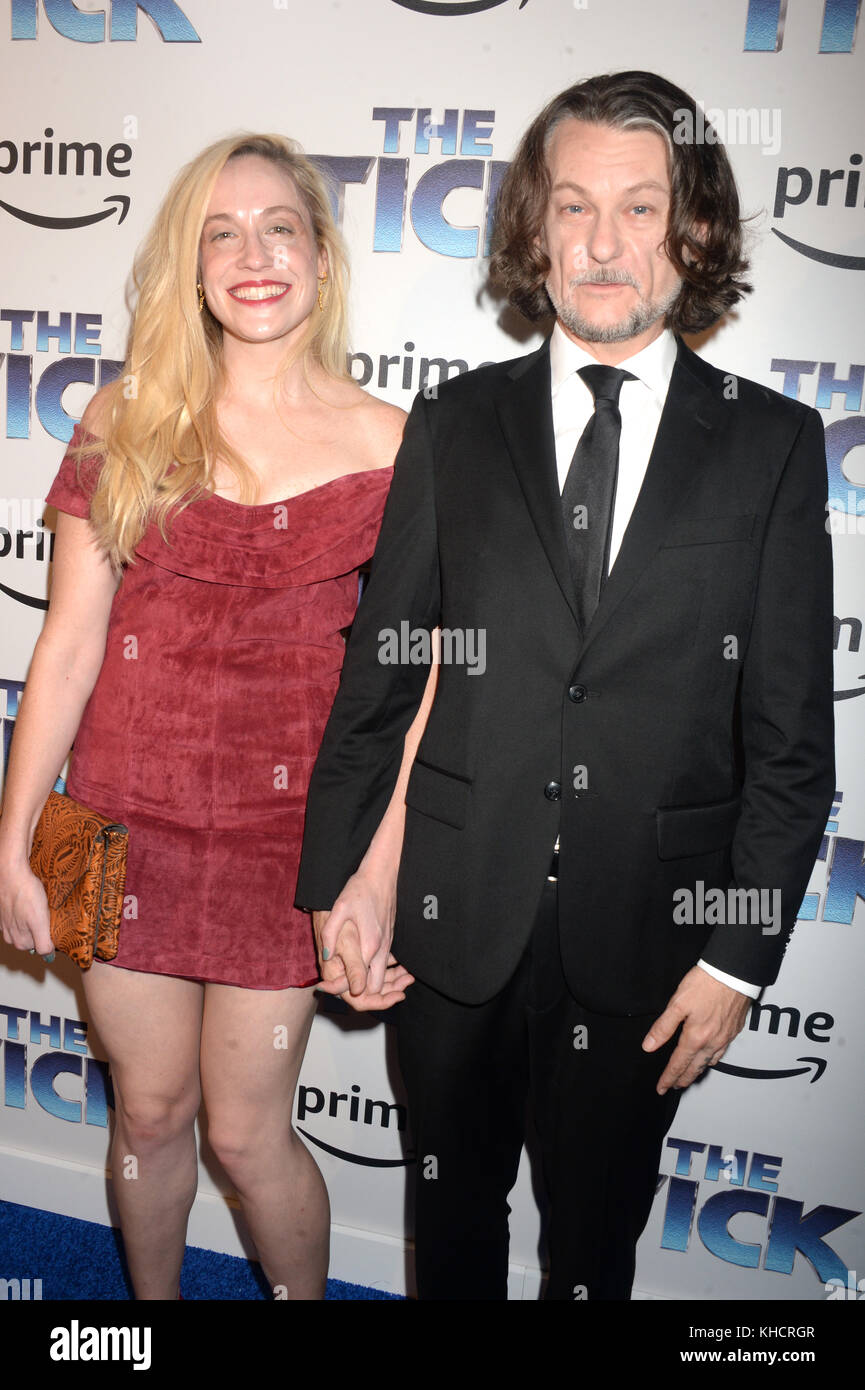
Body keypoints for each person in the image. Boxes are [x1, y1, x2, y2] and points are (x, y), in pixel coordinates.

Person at [295, 72, 835, 1300]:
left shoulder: (769, 443)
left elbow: (792, 743)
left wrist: (739, 959)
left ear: (692, 230)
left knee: (593, 1251)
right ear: (533, 230)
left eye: (640, 209)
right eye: (575, 206)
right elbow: (382, 677)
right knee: (457, 1241)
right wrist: (338, 882)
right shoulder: (452, 424)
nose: (603, 244)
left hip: (649, 938)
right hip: (452, 921)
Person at [0, 133, 425, 1300]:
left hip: (285, 845)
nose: (252, 255)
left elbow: (415, 688)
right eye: (219, 233)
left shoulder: (395, 444)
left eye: (279, 226)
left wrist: (374, 873)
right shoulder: (124, 420)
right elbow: (69, 644)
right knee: (147, 1105)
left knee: (247, 1133)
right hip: (117, 826)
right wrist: (14, 835)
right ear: (190, 269)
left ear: (323, 258)